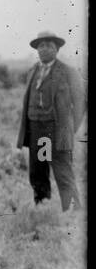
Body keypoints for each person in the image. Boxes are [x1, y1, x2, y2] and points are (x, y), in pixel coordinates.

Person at [16, 31, 85, 211]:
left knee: (63, 173)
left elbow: (80, 102)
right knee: (38, 172)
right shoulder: (33, 71)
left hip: (57, 132)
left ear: (57, 49)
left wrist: (70, 128)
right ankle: (43, 209)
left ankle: (72, 215)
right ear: (37, 50)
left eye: (49, 46)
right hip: (37, 132)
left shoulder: (68, 72)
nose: (44, 49)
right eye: (41, 46)